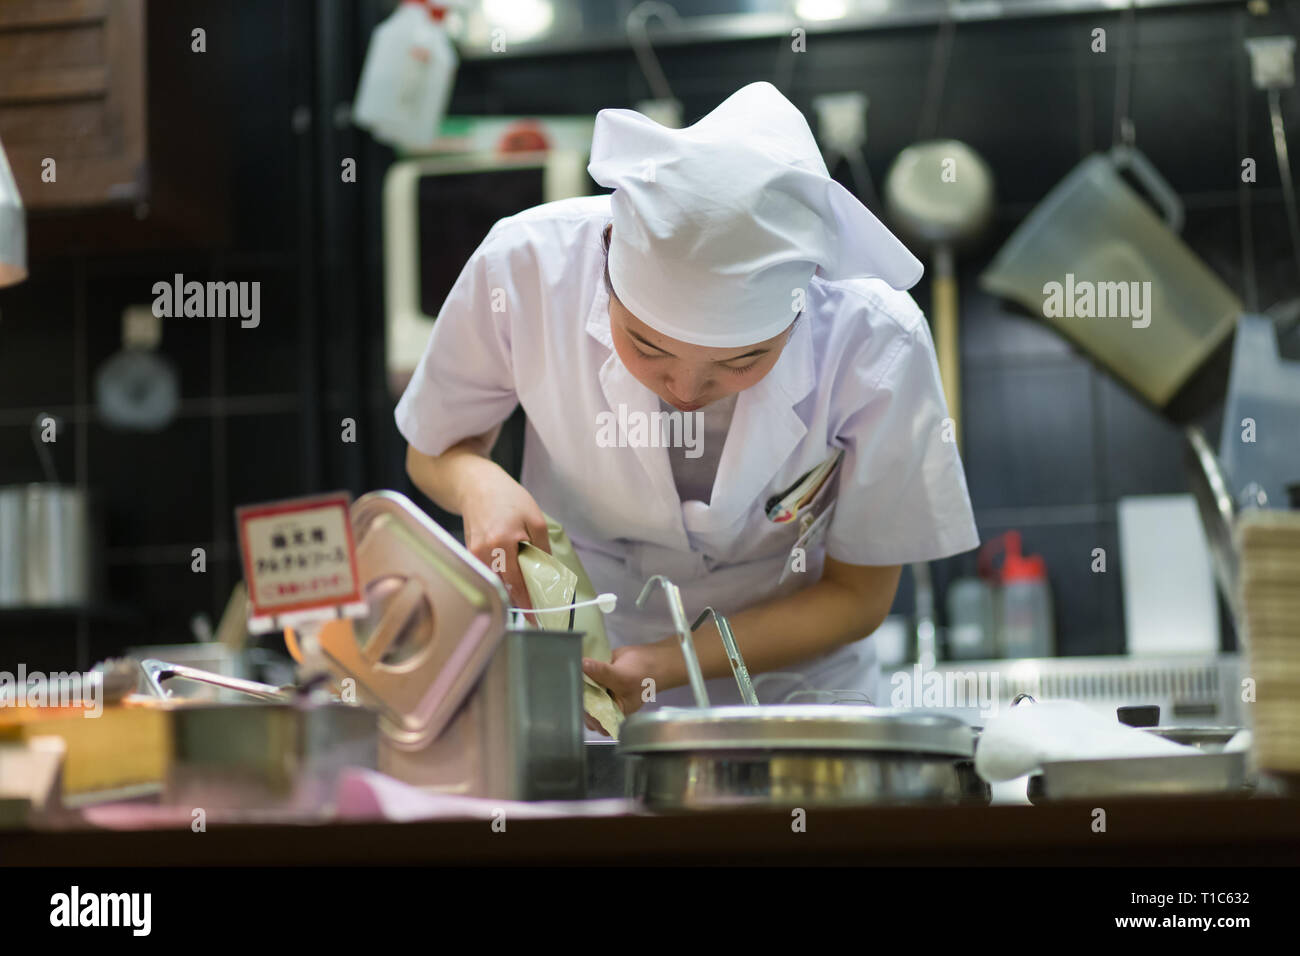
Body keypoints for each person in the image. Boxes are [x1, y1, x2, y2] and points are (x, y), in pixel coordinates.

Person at [398, 82, 978, 729]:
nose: (684, 389)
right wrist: (480, 484)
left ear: (805, 299)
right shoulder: (527, 269)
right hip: (578, 686)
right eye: (647, 346)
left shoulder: (874, 340)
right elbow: (433, 448)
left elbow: (858, 597)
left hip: (797, 702)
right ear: (609, 252)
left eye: (740, 361)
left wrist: (668, 664)